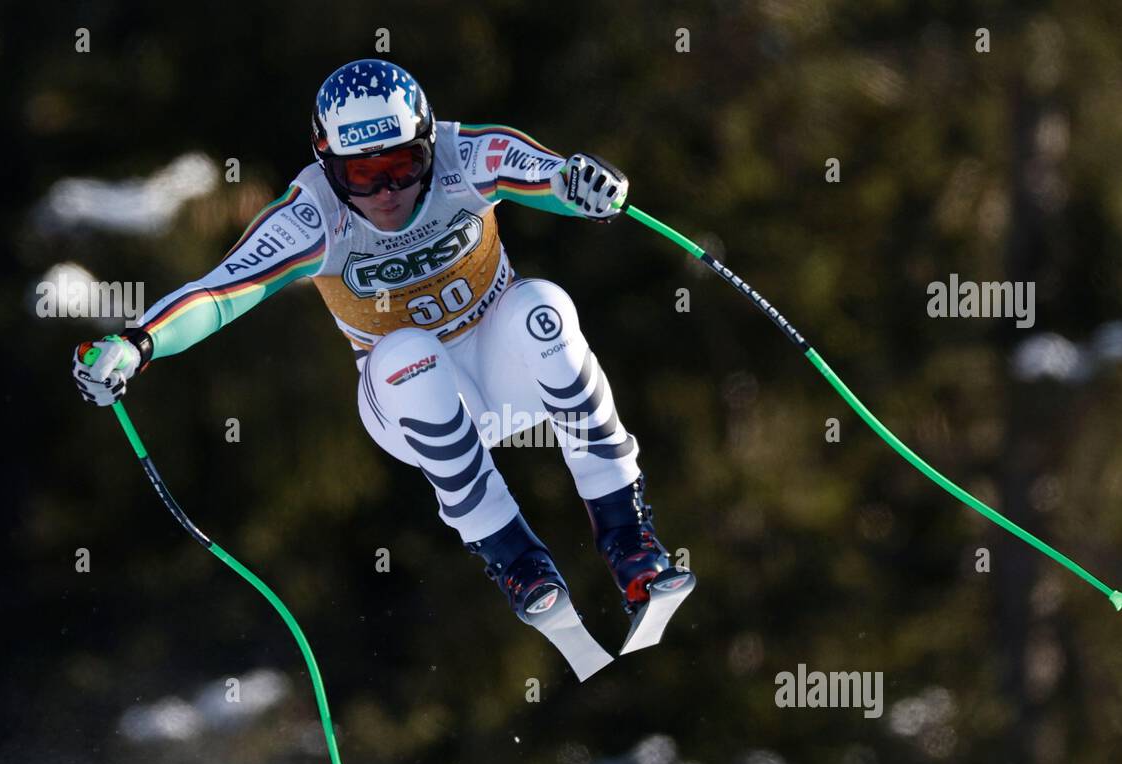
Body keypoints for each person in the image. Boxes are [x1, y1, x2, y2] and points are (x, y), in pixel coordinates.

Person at [73, 58, 693, 679]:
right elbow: (219, 292)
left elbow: (546, 174)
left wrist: (587, 186)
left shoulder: (461, 154)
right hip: (410, 404)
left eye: (402, 166)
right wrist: (138, 343)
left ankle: (630, 544)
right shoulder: (312, 215)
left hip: (509, 377)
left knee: (542, 307)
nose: (386, 191)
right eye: (361, 174)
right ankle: (517, 561)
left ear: (427, 142)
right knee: (406, 352)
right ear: (327, 166)